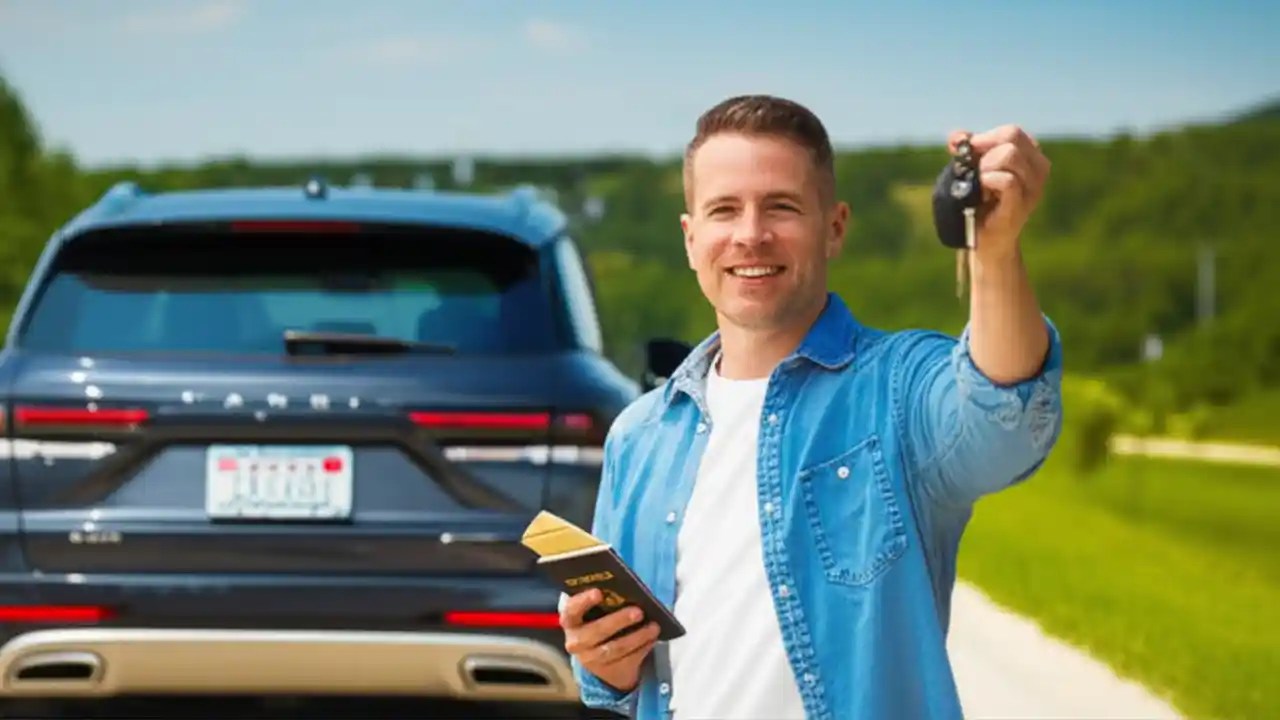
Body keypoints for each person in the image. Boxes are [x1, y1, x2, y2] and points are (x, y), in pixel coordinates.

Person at [558, 94, 1063, 720]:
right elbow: (622, 679)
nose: (750, 234)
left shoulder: (898, 388)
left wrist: (994, 254)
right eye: (724, 210)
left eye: (781, 207)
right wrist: (603, 663)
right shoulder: (640, 435)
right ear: (691, 239)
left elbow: (1003, 421)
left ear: (835, 227)